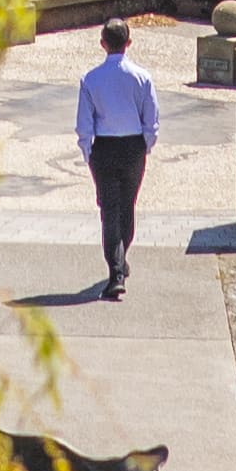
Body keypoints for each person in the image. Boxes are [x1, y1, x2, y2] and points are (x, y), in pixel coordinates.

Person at [76, 18, 158, 298]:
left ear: (103, 44)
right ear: (129, 43)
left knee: (109, 211)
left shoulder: (90, 79)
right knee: (127, 206)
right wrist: (145, 146)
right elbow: (151, 119)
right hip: (133, 146)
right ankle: (119, 264)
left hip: (105, 148)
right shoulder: (142, 77)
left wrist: (88, 154)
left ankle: (116, 270)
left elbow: (84, 124)